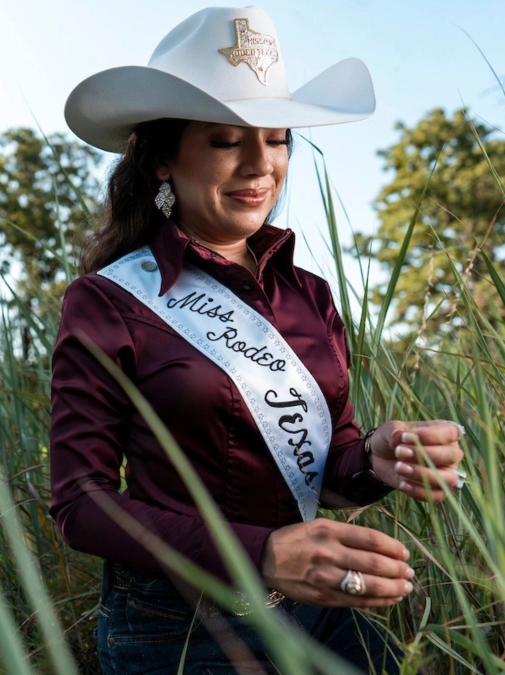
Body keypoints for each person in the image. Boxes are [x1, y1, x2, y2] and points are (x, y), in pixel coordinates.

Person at [51, 7, 466, 674]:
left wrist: (377, 460)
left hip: (322, 609)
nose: (261, 164)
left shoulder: (310, 295)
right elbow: (80, 504)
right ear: (161, 158)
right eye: (225, 140)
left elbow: (329, 471)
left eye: (277, 139)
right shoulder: (108, 301)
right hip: (180, 626)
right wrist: (263, 552)